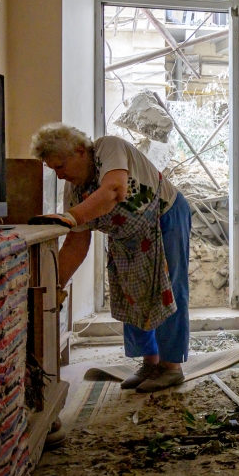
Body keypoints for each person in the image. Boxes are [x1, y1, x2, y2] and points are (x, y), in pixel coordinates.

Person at [31, 123, 191, 393]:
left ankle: (171, 367)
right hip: (127, 236)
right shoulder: (75, 189)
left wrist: (72, 217)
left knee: (169, 290)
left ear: (80, 151)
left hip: (164, 216)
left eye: (60, 167)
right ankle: (150, 364)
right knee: (132, 293)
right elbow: (76, 243)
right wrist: (52, 287)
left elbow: (115, 189)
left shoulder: (108, 147)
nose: (59, 176)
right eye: (53, 170)